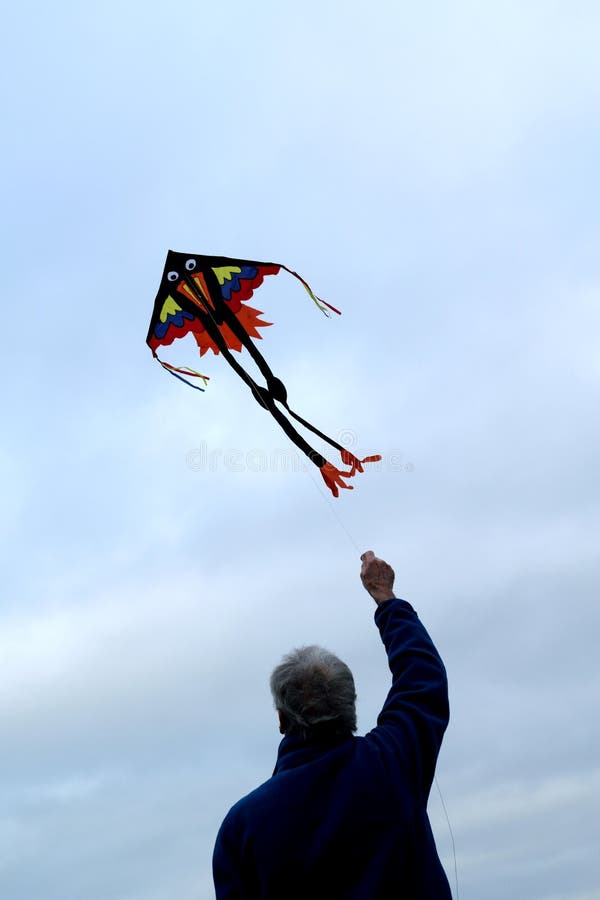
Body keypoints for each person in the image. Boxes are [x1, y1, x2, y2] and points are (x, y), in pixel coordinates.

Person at [212, 551, 452, 899]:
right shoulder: (393, 760)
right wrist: (386, 599)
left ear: (282, 719)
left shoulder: (242, 827)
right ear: (350, 706)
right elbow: (423, 677)